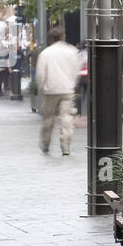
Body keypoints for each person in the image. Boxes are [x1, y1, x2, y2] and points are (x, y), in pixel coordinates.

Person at [36, 26, 82, 156]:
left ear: (51, 39)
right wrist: (72, 84)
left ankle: (46, 143)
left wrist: (43, 87)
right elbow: (76, 70)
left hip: (50, 90)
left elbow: (40, 74)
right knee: (66, 118)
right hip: (67, 90)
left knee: (48, 118)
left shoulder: (45, 53)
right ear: (63, 37)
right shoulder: (72, 51)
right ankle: (65, 145)